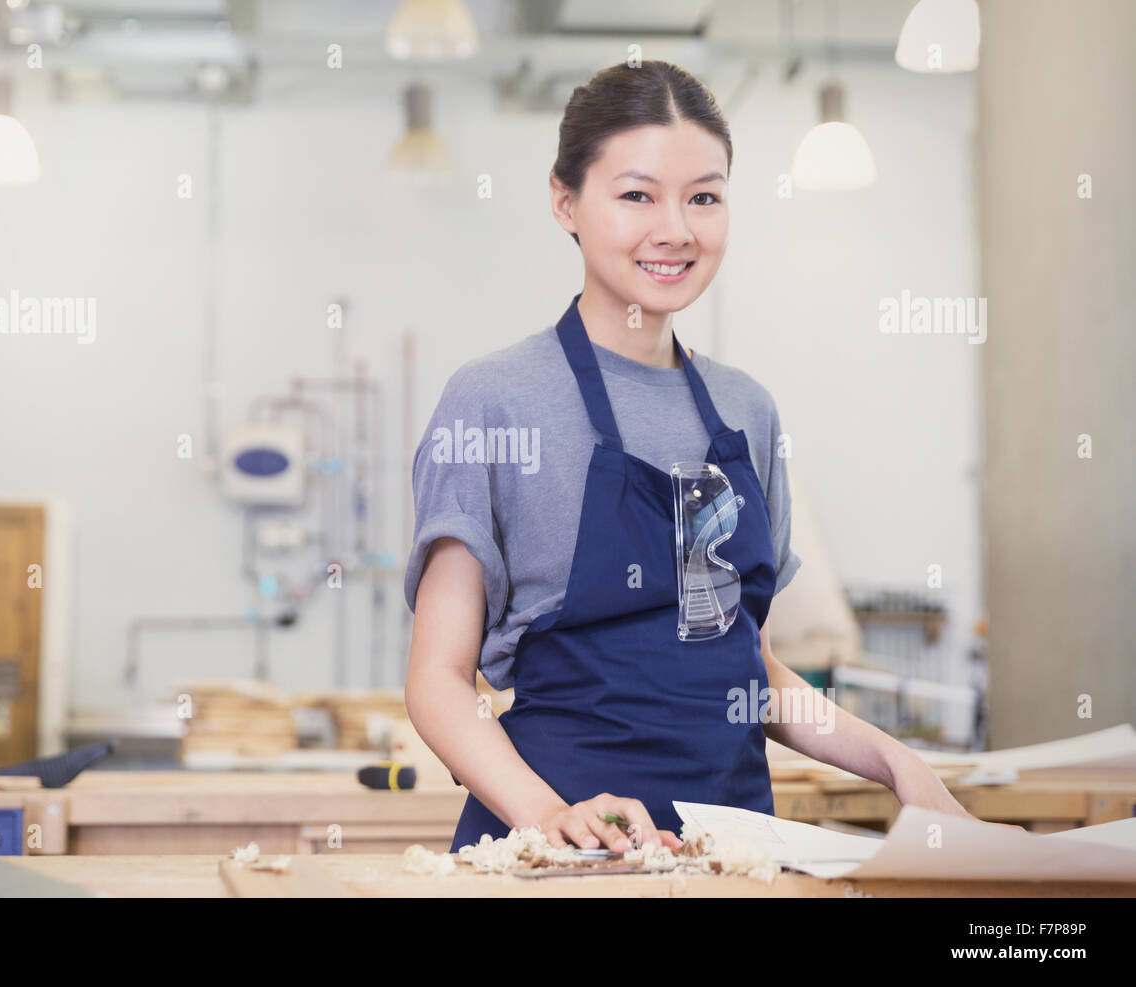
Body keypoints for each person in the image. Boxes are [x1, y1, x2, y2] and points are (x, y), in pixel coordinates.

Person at [404, 60, 987, 854]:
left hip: (734, 853)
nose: (676, 229)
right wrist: (550, 818)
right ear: (565, 200)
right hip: (558, 860)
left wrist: (895, 761)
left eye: (704, 196)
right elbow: (439, 680)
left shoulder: (747, 410)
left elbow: (754, 671)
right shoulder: (492, 401)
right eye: (637, 194)